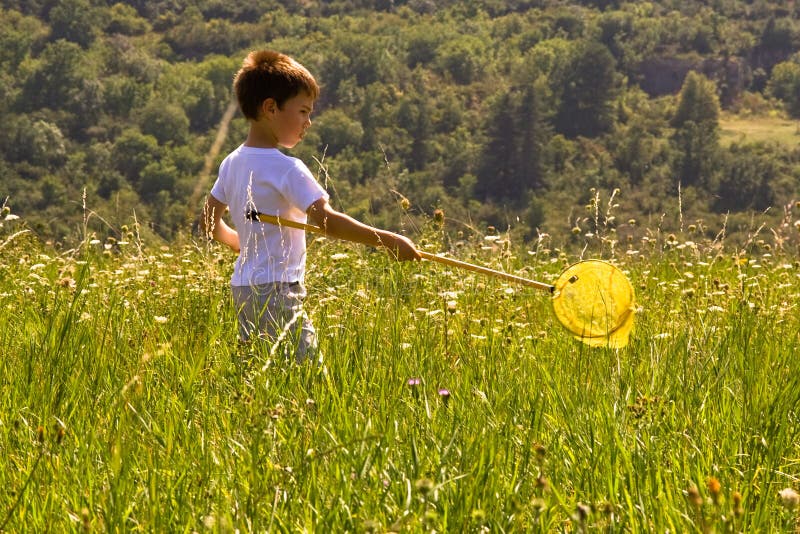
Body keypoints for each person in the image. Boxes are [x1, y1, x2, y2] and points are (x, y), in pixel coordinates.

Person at [201, 50, 420, 364]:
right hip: (277, 290)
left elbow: (208, 221)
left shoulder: (232, 162)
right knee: (306, 376)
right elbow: (326, 222)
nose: (308, 122)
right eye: (303, 111)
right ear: (270, 108)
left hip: (243, 289)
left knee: (260, 371)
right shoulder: (288, 168)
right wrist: (390, 241)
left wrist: (241, 244)